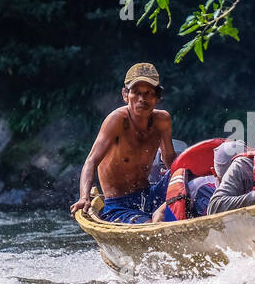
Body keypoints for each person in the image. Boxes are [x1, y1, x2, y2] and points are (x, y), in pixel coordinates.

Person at [70, 63, 177, 224]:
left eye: (148, 93)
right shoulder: (117, 120)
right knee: (147, 226)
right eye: (136, 93)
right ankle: (151, 220)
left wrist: (180, 181)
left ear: (157, 97)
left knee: (185, 173)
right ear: (125, 95)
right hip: (119, 204)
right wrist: (84, 198)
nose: (142, 99)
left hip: (148, 195)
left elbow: (170, 160)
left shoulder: (162, 120)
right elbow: (91, 161)